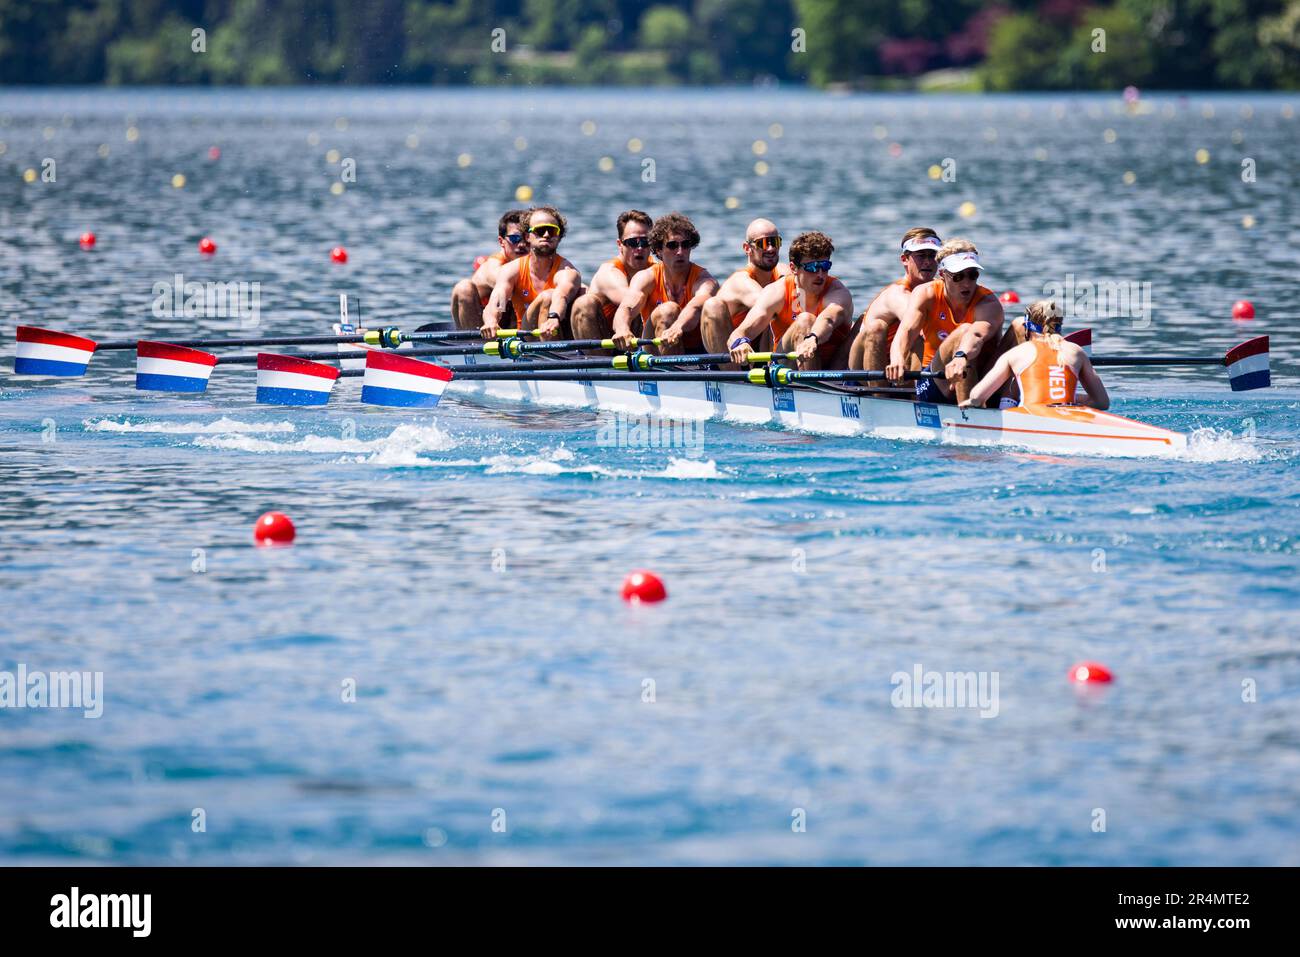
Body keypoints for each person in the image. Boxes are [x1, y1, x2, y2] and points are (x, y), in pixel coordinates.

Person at [887, 238, 1003, 404]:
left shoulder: (988, 303)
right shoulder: (926, 294)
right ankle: (969, 418)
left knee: (1021, 325)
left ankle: (1011, 403)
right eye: (958, 276)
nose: (967, 283)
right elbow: (906, 331)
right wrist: (897, 359)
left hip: (982, 378)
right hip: (935, 380)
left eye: (972, 275)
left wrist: (960, 357)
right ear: (942, 275)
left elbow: (977, 333)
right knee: (963, 331)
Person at [727, 231, 854, 370]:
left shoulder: (837, 292)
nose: (820, 274)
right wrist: (741, 342)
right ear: (793, 268)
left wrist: (813, 338)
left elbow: (828, 319)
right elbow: (739, 333)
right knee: (805, 320)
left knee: (868, 323)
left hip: (833, 367)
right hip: (786, 364)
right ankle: (810, 387)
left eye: (824, 266)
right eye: (812, 267)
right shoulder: (777, 292)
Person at [961, 300, 1109, 410]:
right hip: (1068, 418)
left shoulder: (1016, 353)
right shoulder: (1076, 351)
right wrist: (1065, 397)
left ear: (1027, 328)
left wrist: (972, 403)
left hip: (1031, 420)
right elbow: (1102, 402)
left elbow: (977, 396)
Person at [611, 212, 718, 355]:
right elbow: (626, 307)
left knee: (679, 309)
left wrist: (678, 326)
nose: (680, 252)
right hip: (653, 345)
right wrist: (622, 329)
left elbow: (696, 306)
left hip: (694, 348)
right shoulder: (646, 277)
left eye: (685, 245)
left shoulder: (704, 280)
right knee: (668, 310)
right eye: (672, 245)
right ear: (658, 250)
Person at [848, 227, 940, 377]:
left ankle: (919, 392)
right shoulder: (898, 293)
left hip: (902, 366)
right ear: (904, 259)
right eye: (921, 256)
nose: (928, 262)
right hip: (864, 370)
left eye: (932, 255)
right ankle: (882, 396)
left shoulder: (941, 289)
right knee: (885, 328)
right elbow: (917, 328)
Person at [481, 206, 583, 341]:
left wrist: (554, 317)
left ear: (558, 237)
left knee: (549, 296)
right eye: (540, 231)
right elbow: (497, 300)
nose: (546, 235)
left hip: (556, 333)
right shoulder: (511, 270)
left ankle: (552, 354)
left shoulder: (567, 271)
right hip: (525, 337)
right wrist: (491, 321)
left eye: (552, 231)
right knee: (546, 297)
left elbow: (561, 296)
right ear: (527, 236)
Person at [699, 218, 788, 363]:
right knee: (713, 305)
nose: (771, 249)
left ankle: (776, 369)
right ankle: (732, 379)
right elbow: (769, 304)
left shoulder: (784, 271)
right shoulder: (740, 281)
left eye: (775, 242)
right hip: (731, 355)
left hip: (756, 353)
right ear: (747, 248)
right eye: (763, 243)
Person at [569, 210, 654, 344]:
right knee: (584, 303)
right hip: (604, 341)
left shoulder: (656, 269)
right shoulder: (609, 272)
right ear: (620, 245)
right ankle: (596, 362)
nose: (639, 248)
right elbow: (630, 300)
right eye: (632, 242)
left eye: (645, 242)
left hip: (635, 339)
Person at [450, 210, 529, 331]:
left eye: (526, 238)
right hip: (481, 325)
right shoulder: (493, 265)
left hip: (509, 323)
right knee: (464, 287)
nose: (522, 244)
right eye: (515, 238)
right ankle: (475, 344)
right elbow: (508, 284)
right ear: (501, 241)